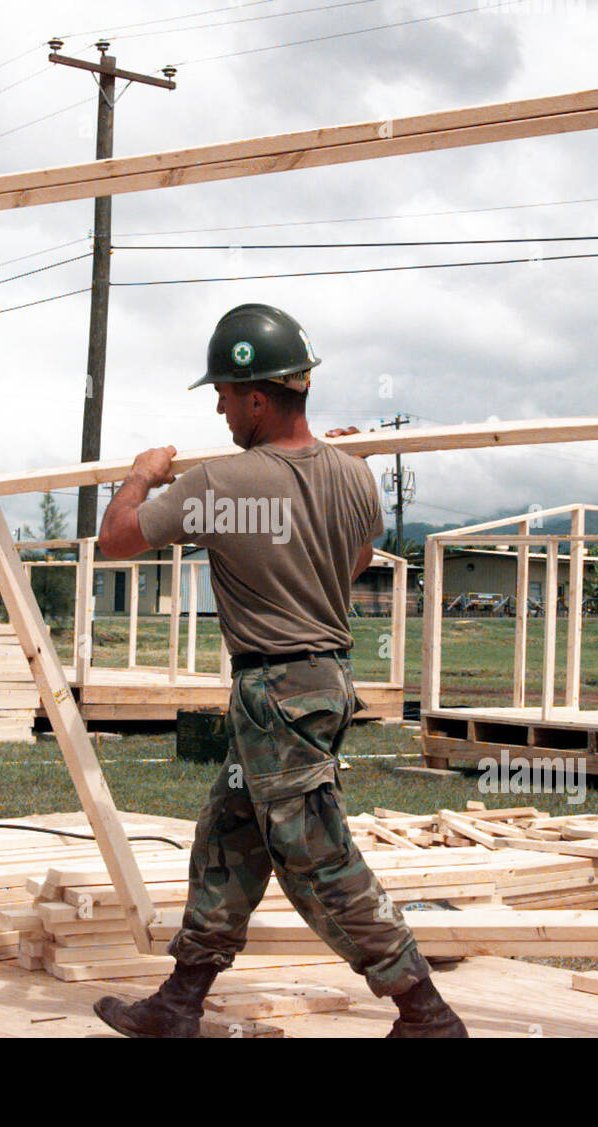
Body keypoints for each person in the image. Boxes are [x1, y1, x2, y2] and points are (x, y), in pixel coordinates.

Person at [92, 303, 468, 1037]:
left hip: (275, 691)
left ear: (258, 396)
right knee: (230, 835)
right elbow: (352, 561)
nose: (222, 410)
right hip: (318, 684)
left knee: (318, 856)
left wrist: (139, 478)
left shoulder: (223, 484)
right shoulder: (356, 478)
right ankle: (180, 1001)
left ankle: (425, 1011)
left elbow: (117, 539)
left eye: (226, 396)